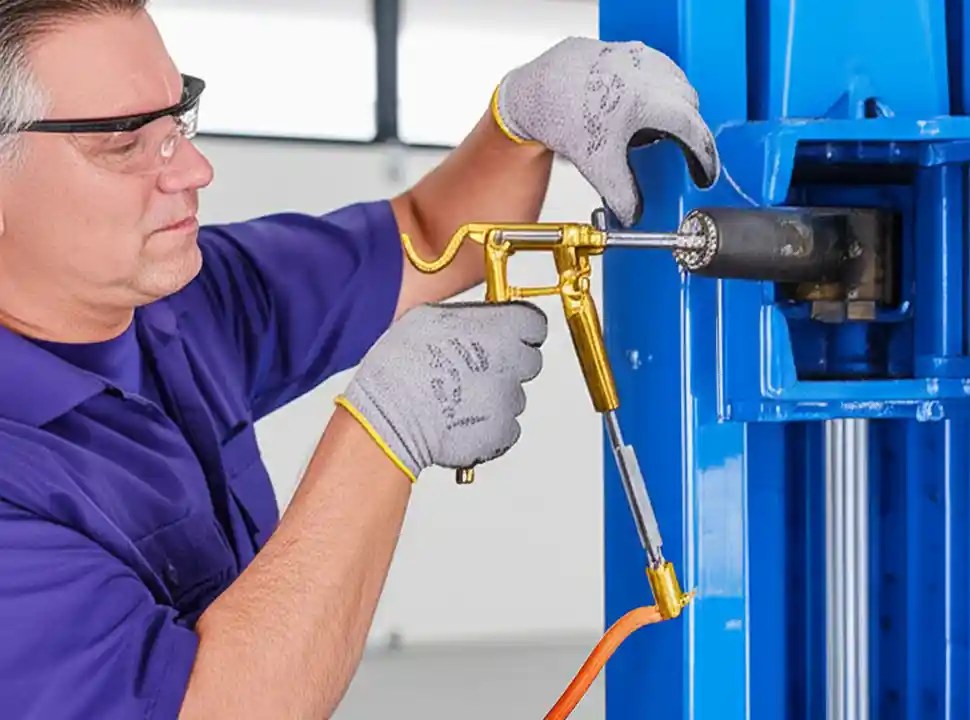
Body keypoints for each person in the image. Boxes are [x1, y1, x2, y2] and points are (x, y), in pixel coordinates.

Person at [0, 2, 719, 718]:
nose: (195, 169)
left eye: (177, 120)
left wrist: (522, 118)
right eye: (127, 143)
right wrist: (384, 428)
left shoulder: (183, 303)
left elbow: (426, 238)